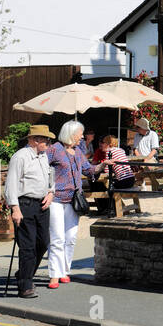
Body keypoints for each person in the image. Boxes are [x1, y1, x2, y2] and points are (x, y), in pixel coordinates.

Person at [4, 125, 55, 298]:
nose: (49, 142)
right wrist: (15, 209)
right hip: (24, 205)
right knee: (28, 247)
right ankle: (25, 286)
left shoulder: (43, 156)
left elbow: (50, 176)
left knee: (43, 242)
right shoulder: (20, 157)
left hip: (42, 205)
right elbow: (10, 184)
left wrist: (51, 193)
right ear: (34, 140)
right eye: (46, 139)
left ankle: (24, 274)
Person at [46, 121, 96, 289]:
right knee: (57, 238)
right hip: (56, 199)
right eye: (79, 134)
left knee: (71, 237)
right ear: (70, 134)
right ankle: (54, 274)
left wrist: (104, 165)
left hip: (74, 200)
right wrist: (46, 189)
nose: (82, 137)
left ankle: (64, 271)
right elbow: (42, 169)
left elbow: (89, 170)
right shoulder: (54, 150)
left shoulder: (78, 152)